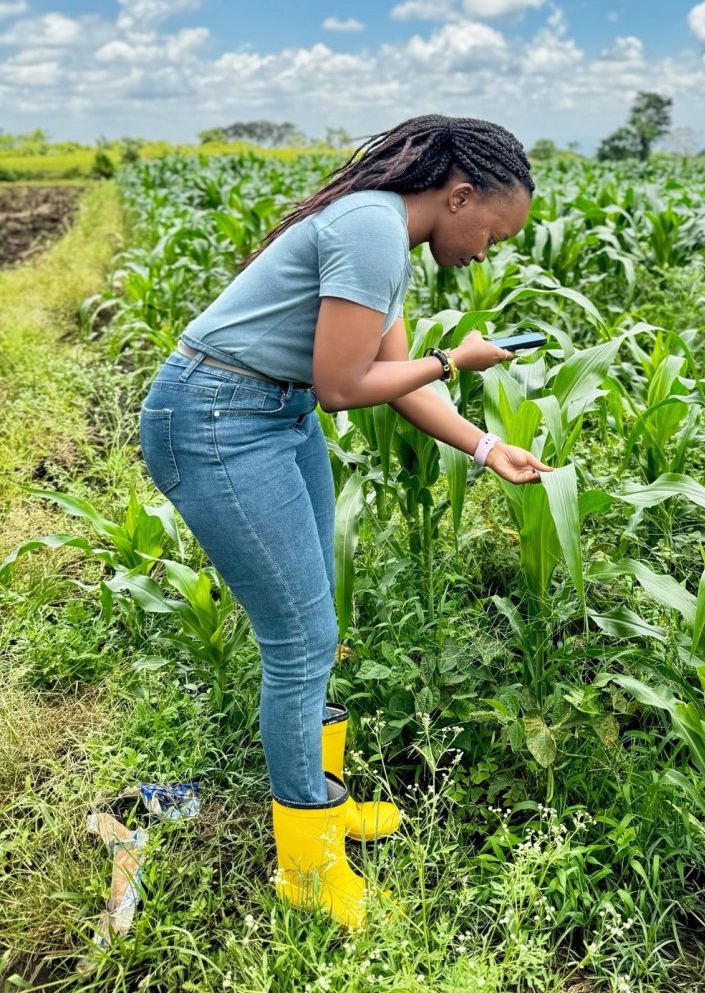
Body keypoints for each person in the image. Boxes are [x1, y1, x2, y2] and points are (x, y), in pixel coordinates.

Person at [137, 113, 552, 927]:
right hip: (218, 417)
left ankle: (319, 798)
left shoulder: (386, 237)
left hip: (272, 415)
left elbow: (389, 380)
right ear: (459, 195)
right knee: (298, 637)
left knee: (317, 614)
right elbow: (343, 384)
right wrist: (455, 358)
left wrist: (485, 446)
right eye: (493, 233)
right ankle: (309, 866)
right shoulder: (370, 228)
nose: (487, 251)